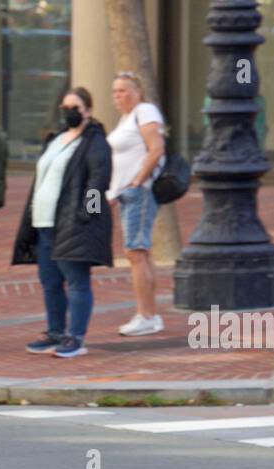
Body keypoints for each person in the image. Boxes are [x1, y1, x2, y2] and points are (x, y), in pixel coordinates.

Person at [12, 87, 113, 359]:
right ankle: (55, 331)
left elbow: (97, 182)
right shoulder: (56, 140)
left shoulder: (94, 142)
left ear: (88, 111)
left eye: (75, 108)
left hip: (72, 223)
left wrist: (87, 215)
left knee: (77, 281)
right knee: (50, 281)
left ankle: (75, 336)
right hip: (43, 221)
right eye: (65, 108)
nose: (69, 113)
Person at [107, 71, 166, 337]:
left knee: (135, 252)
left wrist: (137, 181)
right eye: (115, 91)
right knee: (140, 252)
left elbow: (156, 148)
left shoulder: (145, 111)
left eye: (124, 90)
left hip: (138, 193)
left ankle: (146, 315)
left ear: (137, 92)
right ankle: (149, 314)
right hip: (125, 194)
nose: (119, 96)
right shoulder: (125, 119)